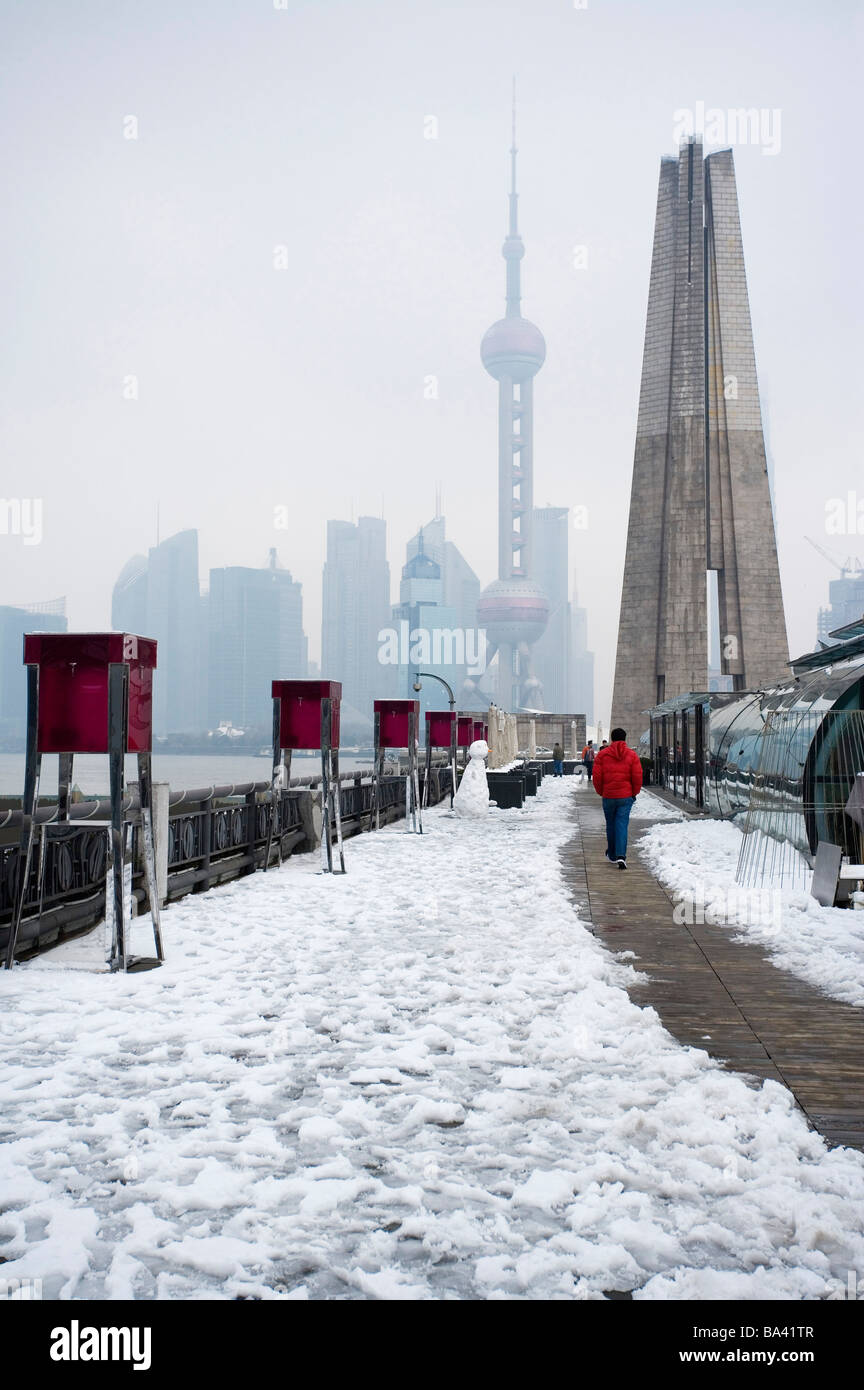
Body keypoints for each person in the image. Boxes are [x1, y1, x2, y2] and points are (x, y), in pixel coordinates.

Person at [591, 726, 642, 870]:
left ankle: (612, 854)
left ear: (612, 739)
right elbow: (637, 777)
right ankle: (621, 855)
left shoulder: (602, 755)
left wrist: (602, 792)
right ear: (625, 738)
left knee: (611, 824)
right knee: (621, 824)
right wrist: (634, 793)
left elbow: (597, 777)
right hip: (625, 796)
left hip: (608, 795)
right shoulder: (632, 755)